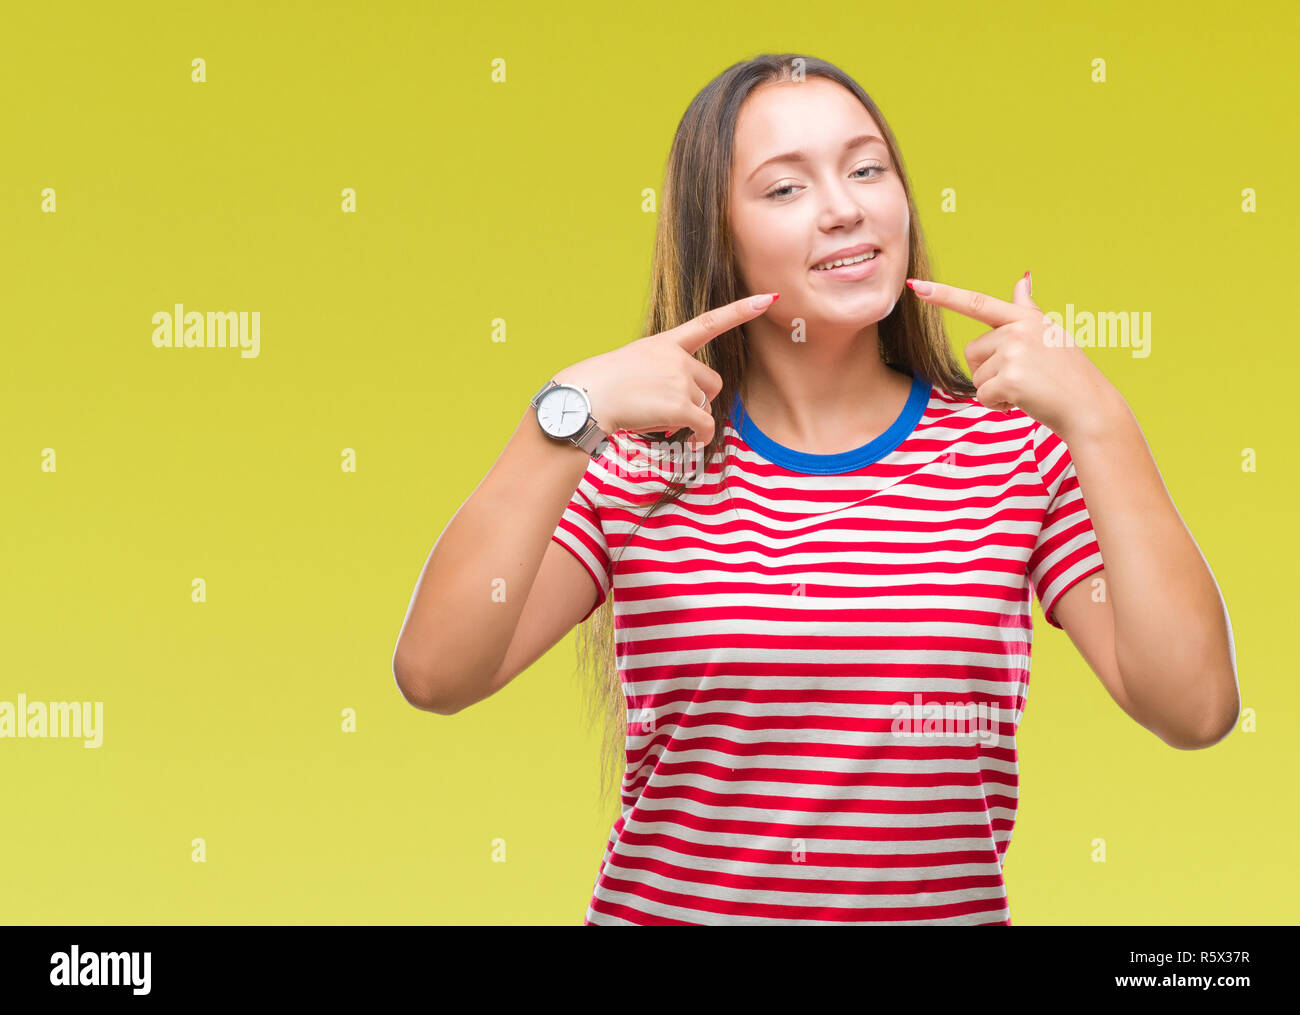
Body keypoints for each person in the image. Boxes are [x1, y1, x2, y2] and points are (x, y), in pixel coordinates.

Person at [392, 53, 1240, 926]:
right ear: (717, 235)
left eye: (867, 168)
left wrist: (1102, 419)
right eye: (785, 189)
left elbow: (1197, 707)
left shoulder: (1013, 452)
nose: (845, 208)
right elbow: (436, 673)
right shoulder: (639, 461)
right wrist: (566, 411)